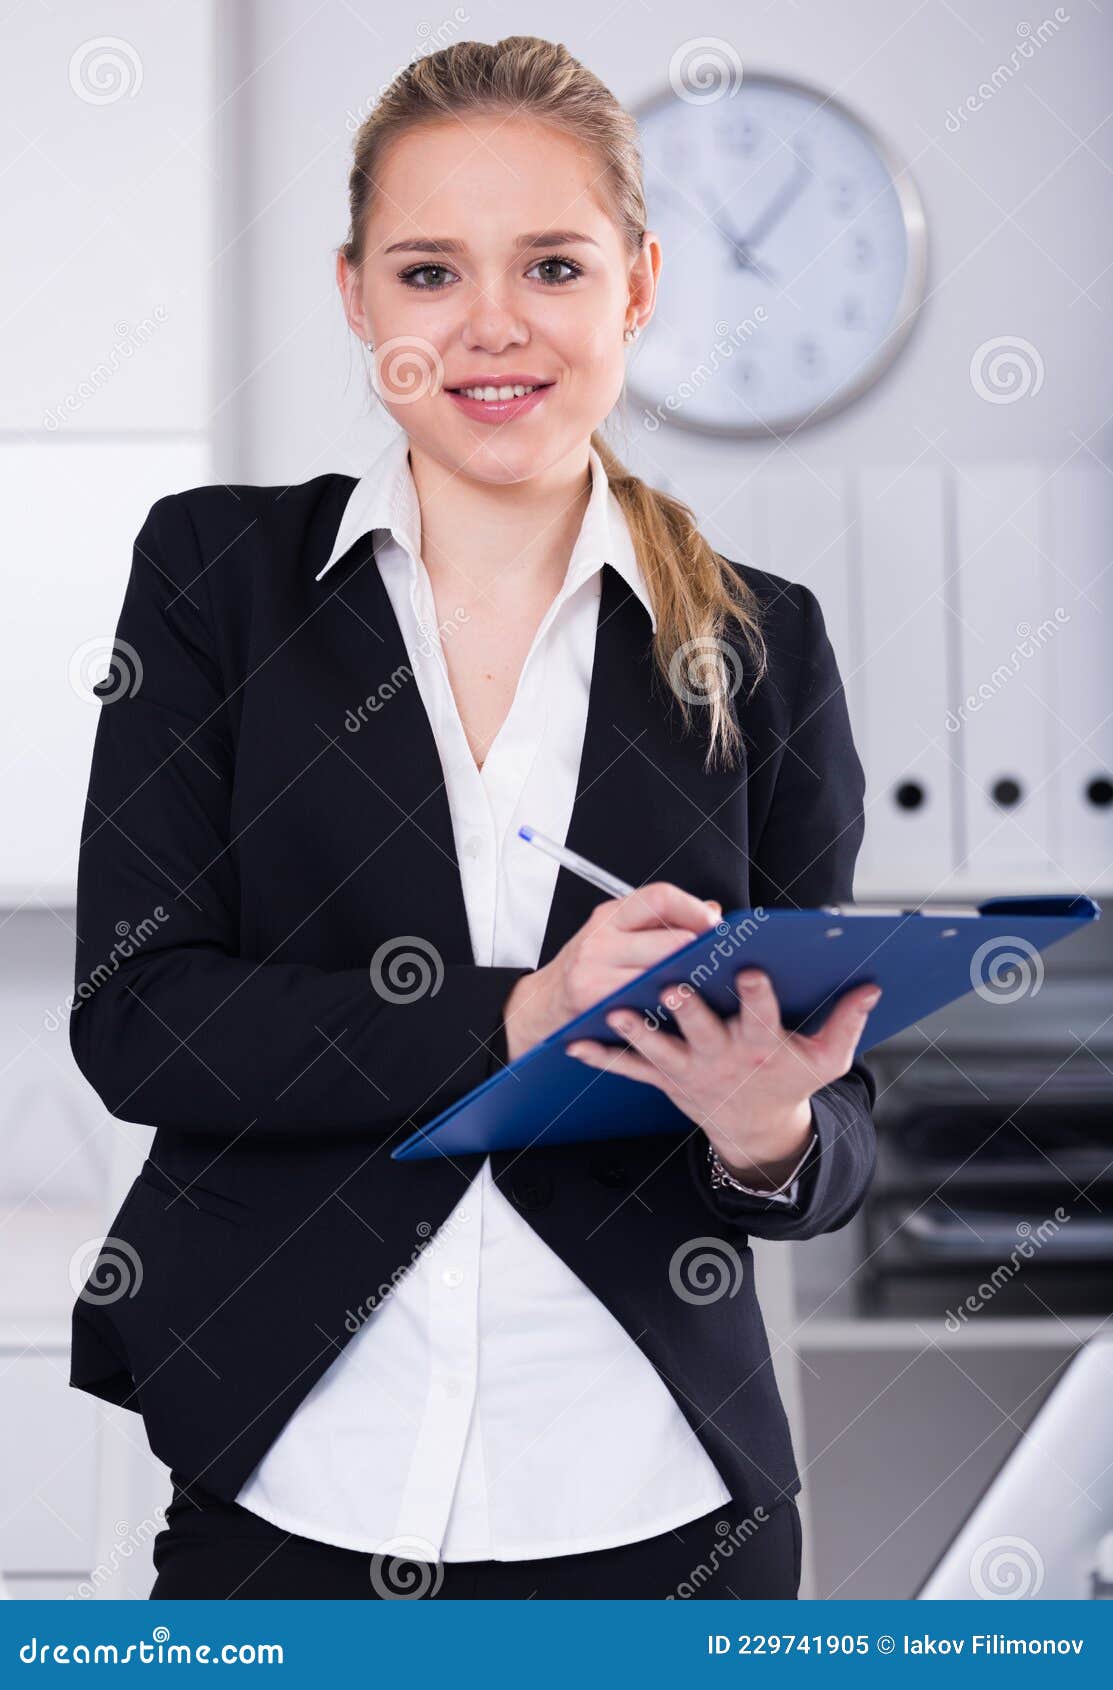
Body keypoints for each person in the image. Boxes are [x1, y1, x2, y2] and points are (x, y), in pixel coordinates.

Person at [68, 35, 880, 1600]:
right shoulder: (218, 584)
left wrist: (767, 1122)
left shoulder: (759, 647)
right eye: (429, 270)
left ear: (635, 287)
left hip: (663, 1516)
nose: (491, 324)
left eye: (553, 265)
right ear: (355, 295)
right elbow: (141, 1022)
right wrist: (518, 1016)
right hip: (289, 1493)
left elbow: (843, 1127)